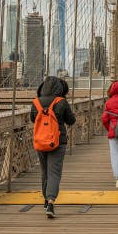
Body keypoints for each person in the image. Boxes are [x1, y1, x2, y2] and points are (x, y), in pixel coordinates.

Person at [30, 76, 76, 219]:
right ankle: (51, 202)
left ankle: (45, 200)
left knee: (45, 172)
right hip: (58, 142)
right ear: (59, 88)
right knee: (54, 172)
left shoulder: (36, 102)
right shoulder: (61, 102)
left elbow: (32, 119)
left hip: (40, 141)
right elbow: (71, 120)